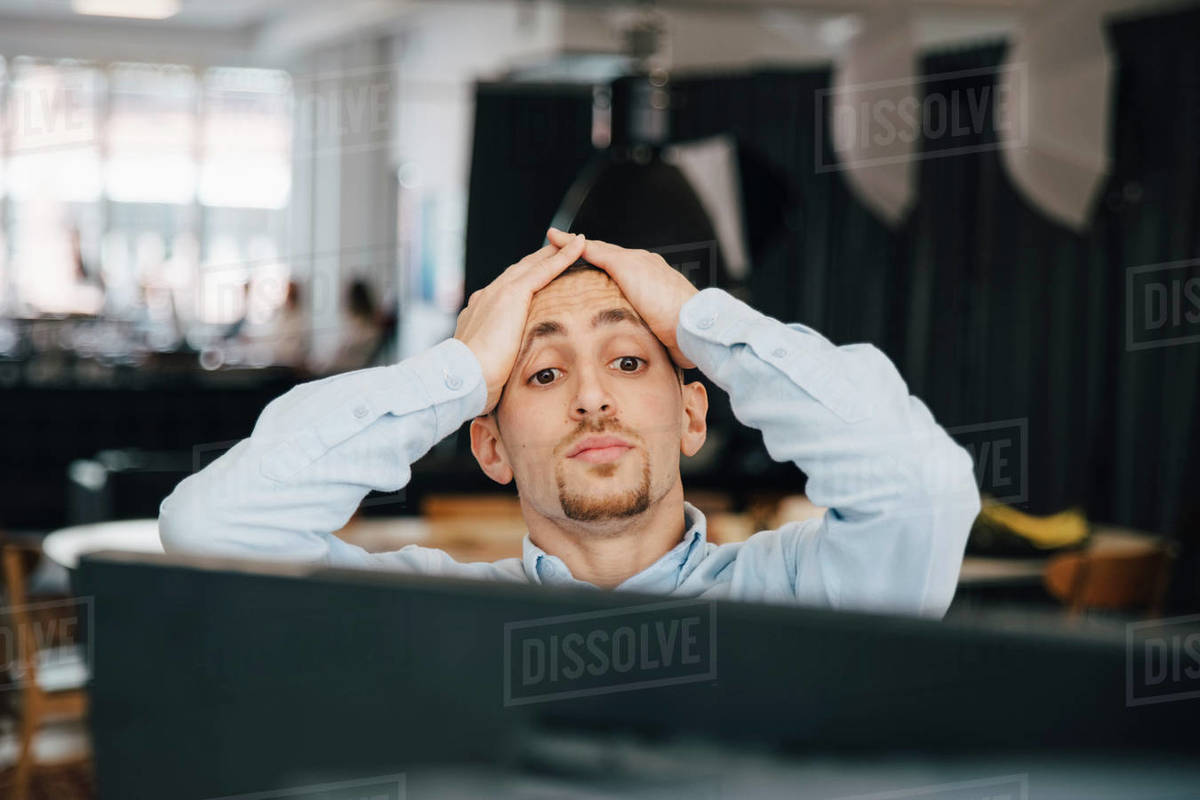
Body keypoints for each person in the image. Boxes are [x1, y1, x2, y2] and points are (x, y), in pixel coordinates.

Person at [159, 229, 980, 616]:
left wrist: (701, 321)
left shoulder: (809, 598)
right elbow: (210, 525)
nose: (593, 398)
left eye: (629, 362)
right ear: (490, 445)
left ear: (693, 414)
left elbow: (925, 487)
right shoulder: (424, 612)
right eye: (544, 374)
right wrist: (460, 371)